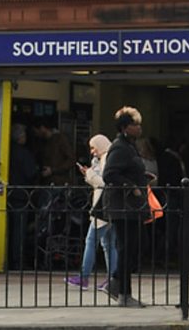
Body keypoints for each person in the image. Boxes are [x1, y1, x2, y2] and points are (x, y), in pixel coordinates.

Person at [100, 106, 151, 307]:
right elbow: (109, 174)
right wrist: (131, 187)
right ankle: (123, 294)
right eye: (135, 125)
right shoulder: (120, 146)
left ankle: (115, 282)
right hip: (123, 207)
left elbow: (127, 170)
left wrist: (143, 178)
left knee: (136, 246)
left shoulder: (130, 145)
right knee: (126, 248)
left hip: (132, 206)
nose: (139, 128)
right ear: (124, 127)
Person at [67, 134, 117, 290]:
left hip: (103, 207)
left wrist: (89, 174)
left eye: (94, 147)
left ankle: (84, 277)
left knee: (91, 241)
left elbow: (103, 183)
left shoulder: (106, 158)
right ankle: (112, 279)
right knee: (108, 244)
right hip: (110, 206)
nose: (92, 151)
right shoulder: (109, 157)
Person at [6, 123, 40, 270]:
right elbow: (31, 173)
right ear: (20, 137)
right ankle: (17, 262)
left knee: (10, 229)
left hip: (9, 194)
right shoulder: (24, 153)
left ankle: (8, 258)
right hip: (21, 195)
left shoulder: (8, 151)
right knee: (19, 231)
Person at [32, 118, 75, 186]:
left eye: (36, 131)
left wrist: (53, 170)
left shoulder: (60, 139)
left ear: (42, 128)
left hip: (59, 182)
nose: (36, 134)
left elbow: (71, 159)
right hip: (47, 181)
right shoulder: (42, 142)